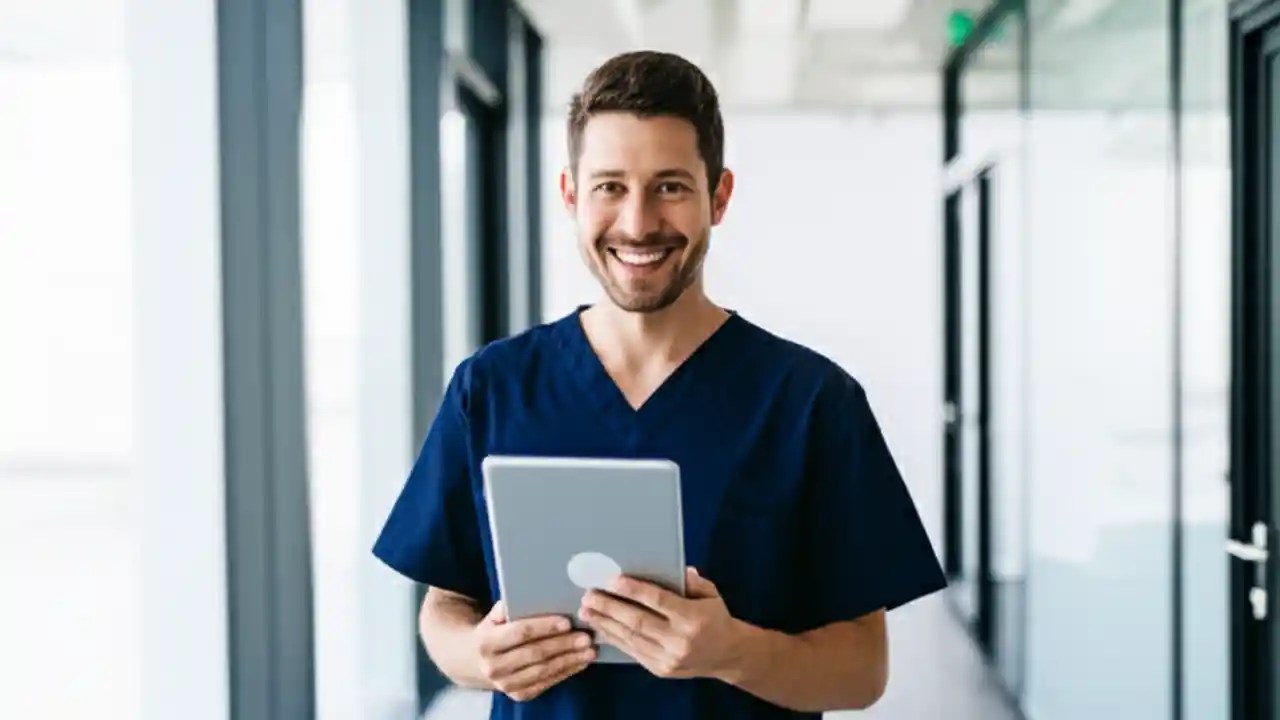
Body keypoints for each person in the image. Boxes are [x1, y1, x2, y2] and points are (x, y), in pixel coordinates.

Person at [372, 50, 946, 719]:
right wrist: (478, 656)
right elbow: (446, 606)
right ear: (570, 196)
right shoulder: (491, 388)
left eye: (669, 186)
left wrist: (733, 652)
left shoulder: (812, 403)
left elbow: (861, 671)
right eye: (610, 186)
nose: (639, 223)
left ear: (719, 196)